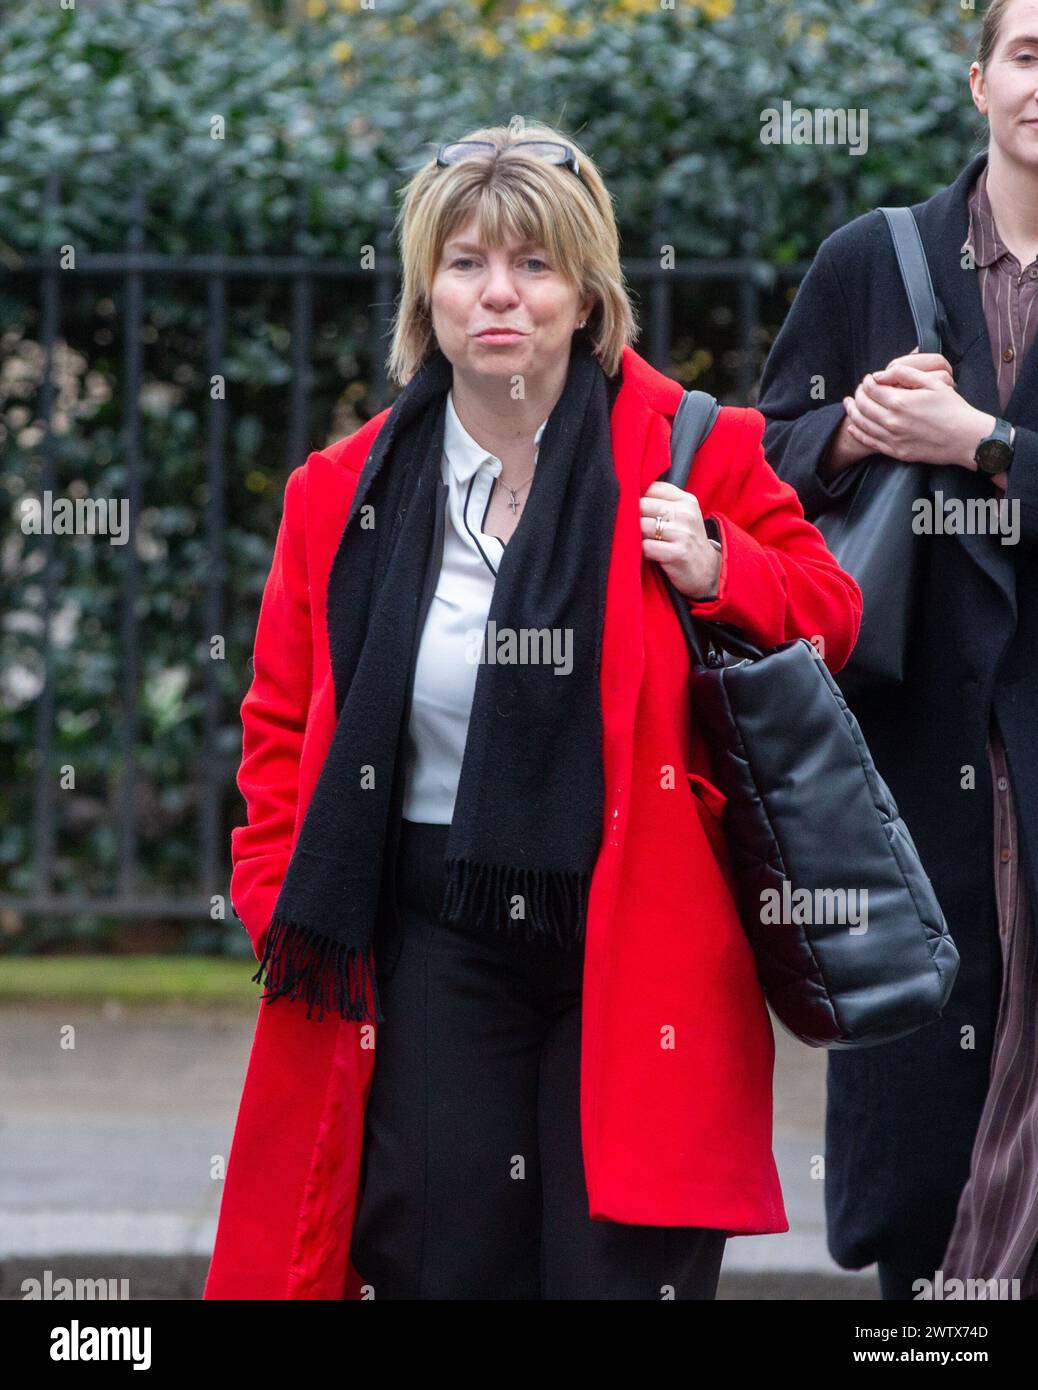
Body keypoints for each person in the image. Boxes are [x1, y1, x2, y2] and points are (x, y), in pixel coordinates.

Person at [203, 119, 862, 1301]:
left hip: (639, 937)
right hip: (435, 939)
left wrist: (721, 566)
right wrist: (278, 904)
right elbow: (280, 733)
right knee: (441, 1264)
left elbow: (833, 614)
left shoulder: (691, 454)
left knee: (617, 1273)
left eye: (534, 263)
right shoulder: (339, 493)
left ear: (586, 292)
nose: (499, 292)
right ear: (427, 290)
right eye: (466, 262)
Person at [755, 0, 1038, 1302]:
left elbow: (983, 454)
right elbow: (757, 463)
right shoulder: (876, 260)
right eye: (1028, 54)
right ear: (978, 78)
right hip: (912, 767)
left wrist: (977, 440)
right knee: (921, 1147)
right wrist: (859, 438)